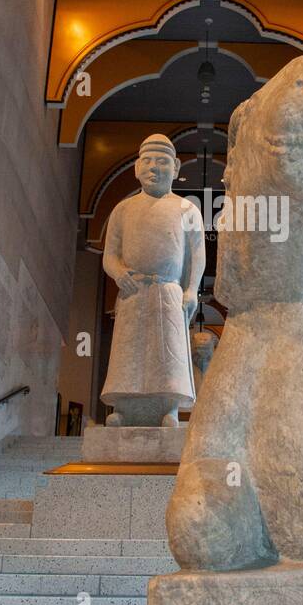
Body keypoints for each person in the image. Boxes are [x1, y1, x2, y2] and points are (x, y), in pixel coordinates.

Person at [100, 134, 205, 427]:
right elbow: (110, 255)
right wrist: (120, 274)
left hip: (168, 291)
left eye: (162, 161)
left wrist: (192, 290)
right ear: (136, 168)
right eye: (147, 161)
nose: (153, 168)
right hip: (133, 292)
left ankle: (167, 408)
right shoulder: (123, 209)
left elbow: (198, 255)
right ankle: (123, 409)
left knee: (167, 355)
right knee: (127, 354)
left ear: (176, 167)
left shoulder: (187, 209)